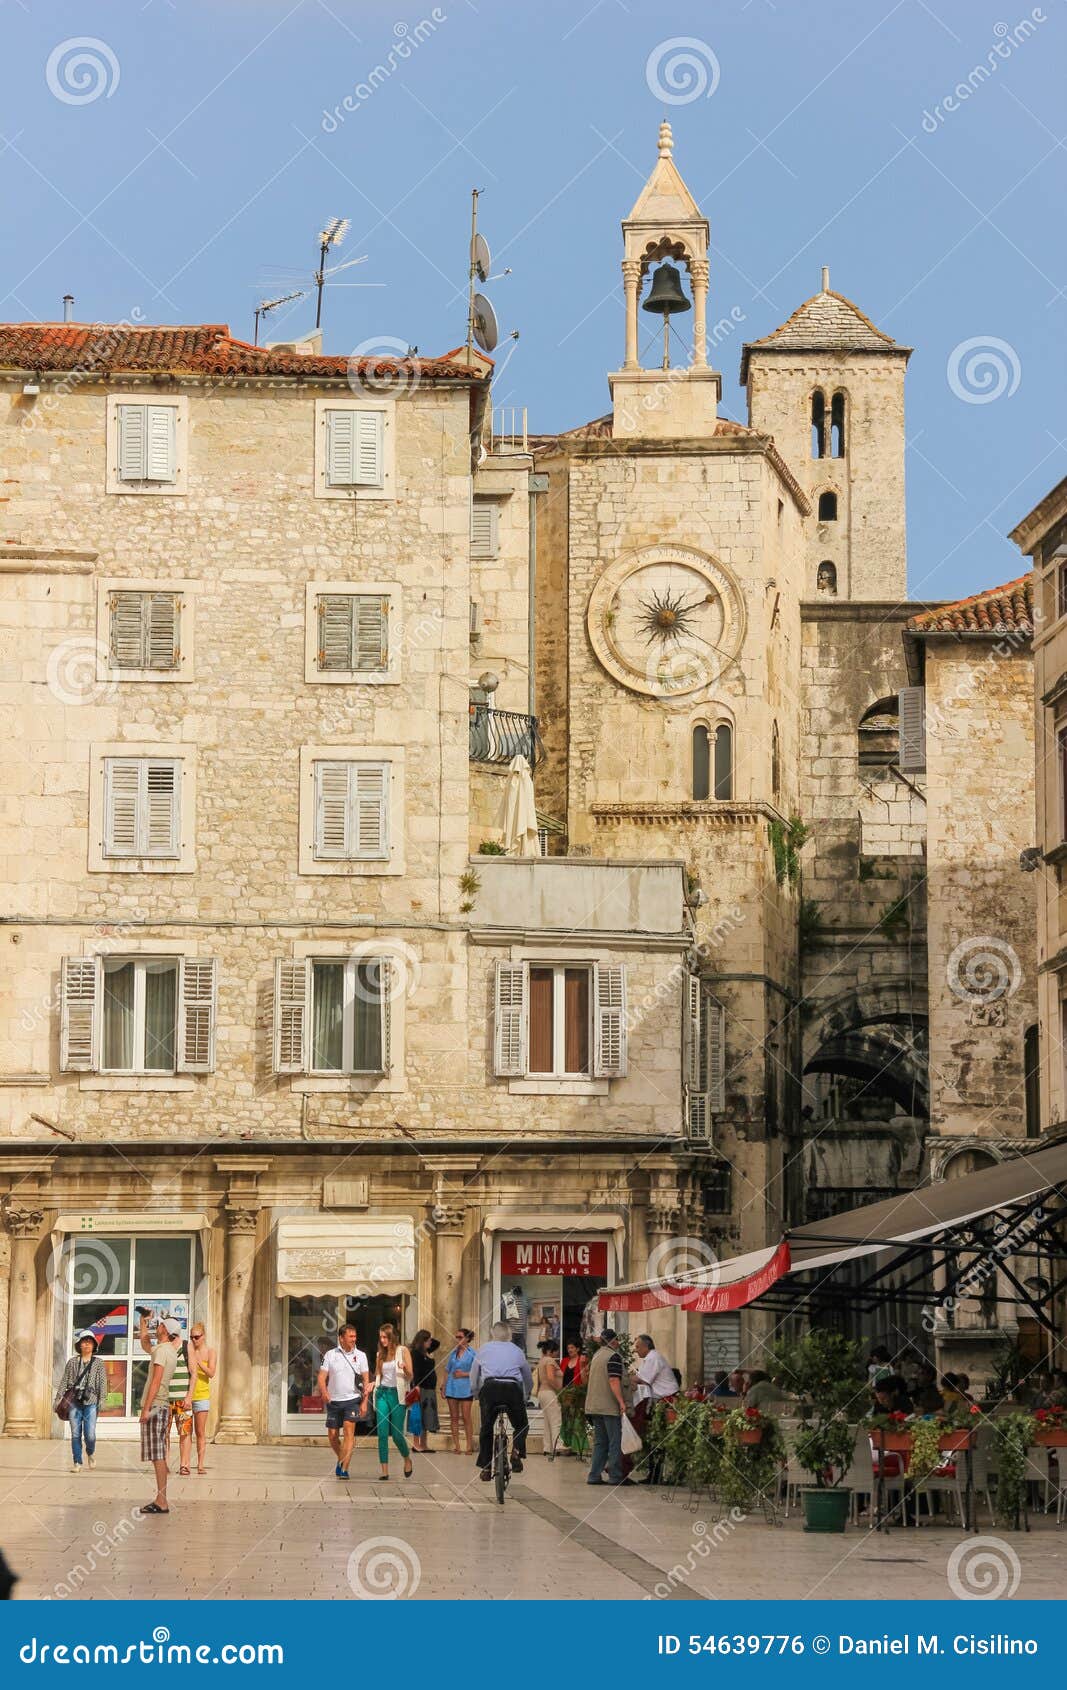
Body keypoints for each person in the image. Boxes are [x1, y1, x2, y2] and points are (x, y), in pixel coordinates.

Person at [470, 1320, 532, 1481]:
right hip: (512, 1389)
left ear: (492, 1334)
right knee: (521, 1424)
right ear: (509, 1335)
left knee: (486, 1428)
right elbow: (527, 1377)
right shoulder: (517, 1351)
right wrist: (526, 1394)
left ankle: (485, 1467)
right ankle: (517, 1451)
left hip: (490, 1389)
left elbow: (473, 1375)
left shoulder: (483, 1349)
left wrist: (476, 1392)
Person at [317, 1323, 370, 1481]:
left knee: (349, 1433)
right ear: (341, 1338)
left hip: (352, 1400)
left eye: (355, 1336)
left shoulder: (361, 1356)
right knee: (333, 1436)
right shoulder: (330, 1355)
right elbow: (321, 1377)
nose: (354, 1339)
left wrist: (365, 1402)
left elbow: (366, 1381)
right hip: (333, 1401)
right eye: (350, 1337)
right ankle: (342, 1458)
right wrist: (324, 1392)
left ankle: (345, 1468)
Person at [138, 1314, 181, 1514]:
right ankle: (160, 1498)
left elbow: (155, 1381)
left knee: (158, 1455)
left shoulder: (163, 1352)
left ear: (165, 1330)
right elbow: (146, 1345)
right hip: (161, 1406)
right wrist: (143, 1322)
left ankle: (162, 1500)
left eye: (161, 1325)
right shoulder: (168, 1350)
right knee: (158, 1454)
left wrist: (146, 1408)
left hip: (156, 1406)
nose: (158, 1327)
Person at [585, 1329, 630, 1488]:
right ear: (612, 1341)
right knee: (614, 1442)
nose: (618, 1343)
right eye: (616, 1340)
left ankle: (594, 1475)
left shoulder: (597, 1355)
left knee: (600, 1442)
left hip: (595, 1406)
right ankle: (615, 1476)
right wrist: (621, 1402)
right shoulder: (613, 1356)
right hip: (609, 1406)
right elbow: (613, 1380)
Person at [57, 1328, 107, 1473]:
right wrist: (58, 1397)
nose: (86, 1345)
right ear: (79, 1345)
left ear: (93, 1345)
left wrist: (102, 1399)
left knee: (90, 1434)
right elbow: (64, 1380)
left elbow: (102, 1382)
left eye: (89, 1342)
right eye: (84, 1342)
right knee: (75, 1433)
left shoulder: (98, 1363)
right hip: (74, 1401)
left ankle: (90, 1453)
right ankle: (77, 1462)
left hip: (91, 1401)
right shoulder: (72, 1362)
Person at [631, 1334, 678, 1483]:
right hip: (658, 1401)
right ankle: (654, 1474)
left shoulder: (653, 1358)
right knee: (654, 1439)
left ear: (646, 1346)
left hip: (665, 1402)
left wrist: (622, 1377)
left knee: (657, 1438)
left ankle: (656, 1475)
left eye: (638, 1347)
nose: (635, 1350)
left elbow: (642, 1380)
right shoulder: (649, 1358)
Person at [373, 1323, 414, 1481]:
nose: (382, 1340)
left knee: (396, 1435)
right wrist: (372, 1384)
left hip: (397, 1395)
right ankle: (384, 1471)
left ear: (391, 1336)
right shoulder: (380, 1355)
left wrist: (404, 1368)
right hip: (382, 1393)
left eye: (385, 1337)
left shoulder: (402, 1351)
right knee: (382, 1434)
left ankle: (407, 1459)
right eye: (381, 1337)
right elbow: (378, 1375)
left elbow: (410, 1376)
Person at [179, 1323, 217, 1476]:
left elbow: (212, 1373)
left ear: (204, 1336)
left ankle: (200, 1464)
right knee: (185, 1431)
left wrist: (198, 1362)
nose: (194, 1340)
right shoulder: (188, 1350)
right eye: (191, 1337)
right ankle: (185, 1464)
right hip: (186, 1396)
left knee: (200, 1432)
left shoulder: (210, 1352)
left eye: (197, 1337)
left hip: (202, 1396)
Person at [443, 1329, 477, 1454]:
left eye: (460, 1337)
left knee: (466, 1417)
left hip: (466, 1388)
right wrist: (443, 1386)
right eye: (456, 1337)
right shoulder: (453, 1353)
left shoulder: (473, 1353)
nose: (457, 1339)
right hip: (452, 1387)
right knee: (454, 1418)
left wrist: (464, 1374)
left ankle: (469, 1446)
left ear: (467, 1338)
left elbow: (477, 1372)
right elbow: (447, 1370)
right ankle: (457, 1445)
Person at [409, 1329, 440, 1453]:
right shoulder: (416, 1354)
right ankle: (416, 1444)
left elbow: (437, 1344)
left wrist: (429, 1337)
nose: (431, 1342)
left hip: (429, 1389)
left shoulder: (426, 1352)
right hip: (420, 1388)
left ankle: (424, 1444)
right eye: (428, 1340)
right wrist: (415, 1385)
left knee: (427, 1416)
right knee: (418, 1416)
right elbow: (415, 1370)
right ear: (423, 1341)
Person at [534, 1340, 564, 1459]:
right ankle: (558, 1445)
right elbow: (551, 1377)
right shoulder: (550, 1361)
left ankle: (547, 1447)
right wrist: (558, 1389)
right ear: (552, 1351)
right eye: (556, 1351)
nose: (557, 1353)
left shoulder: (542, 1360)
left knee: (547, 1421)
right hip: (549, 1392)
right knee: (556, 1420)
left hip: (542, 1392)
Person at [500, 1284, 530, 1351]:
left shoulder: (508, 1299)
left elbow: (502, 1309)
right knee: (520, 1350)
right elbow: (529, 1311)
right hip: (521, 1330)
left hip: (512, 1330)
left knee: (511, 1350)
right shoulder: (525, 1300)